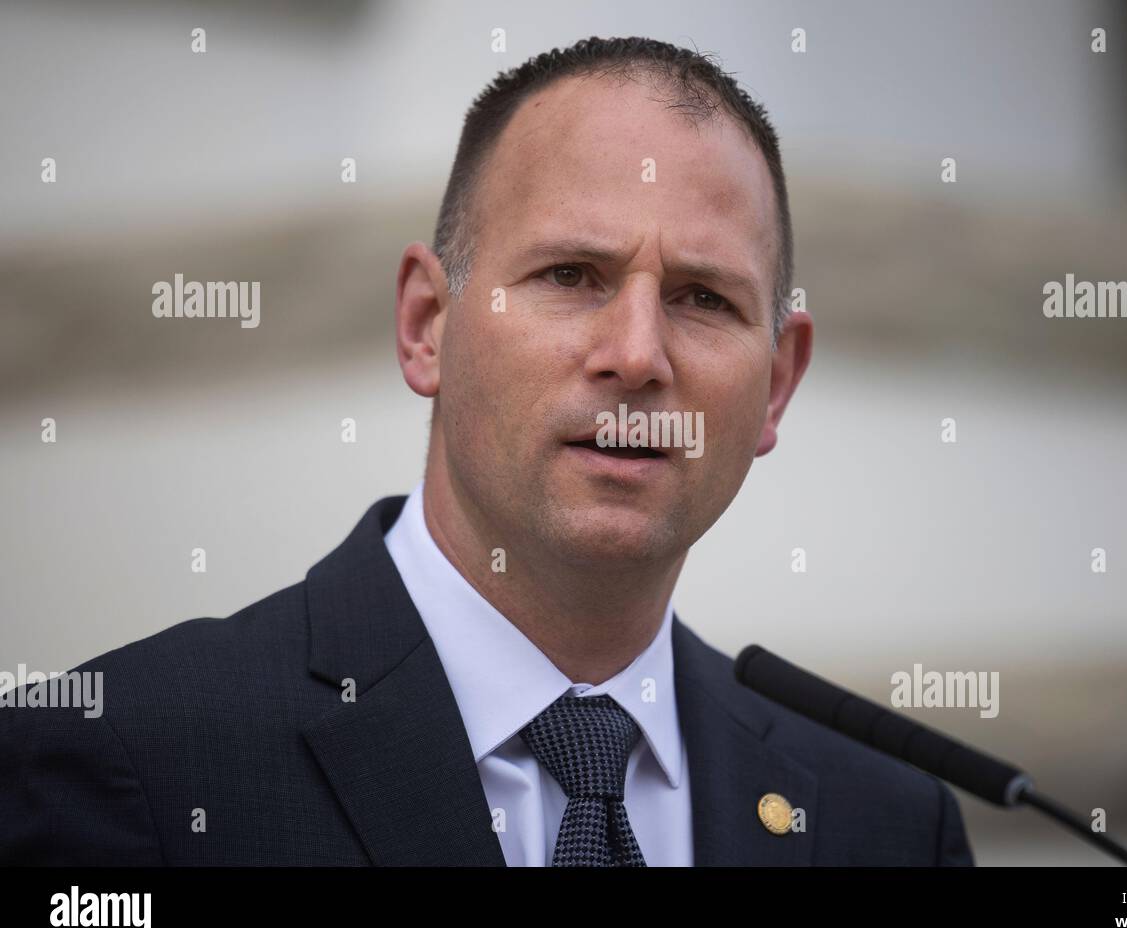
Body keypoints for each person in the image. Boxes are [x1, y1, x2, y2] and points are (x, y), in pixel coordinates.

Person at [0, 36, 973, 867]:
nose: (636, 354)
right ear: (427, 323)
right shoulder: (124, 757)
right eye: (571, 274)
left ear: (777, 383)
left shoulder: (883, 822)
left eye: (703, 298)